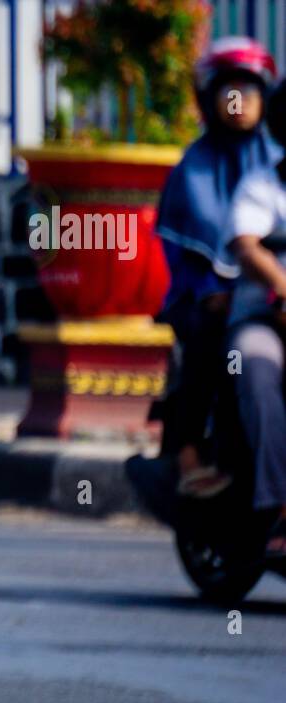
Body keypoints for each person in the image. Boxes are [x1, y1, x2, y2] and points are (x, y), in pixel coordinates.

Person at [156, 37, 280, 497]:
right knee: (212, 337)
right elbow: (184, 250)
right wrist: (212, 289)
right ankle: (189, 453)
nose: (239, 104)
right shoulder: (193, 169)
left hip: (266, 295)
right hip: (205, 297)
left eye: (248, 93)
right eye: (229, 93)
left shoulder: (274, 164)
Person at [217, 79, 286, 557]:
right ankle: (278, 507)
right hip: (264, 318)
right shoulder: (263, 184)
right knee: (256, 370)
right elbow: (245, 246)